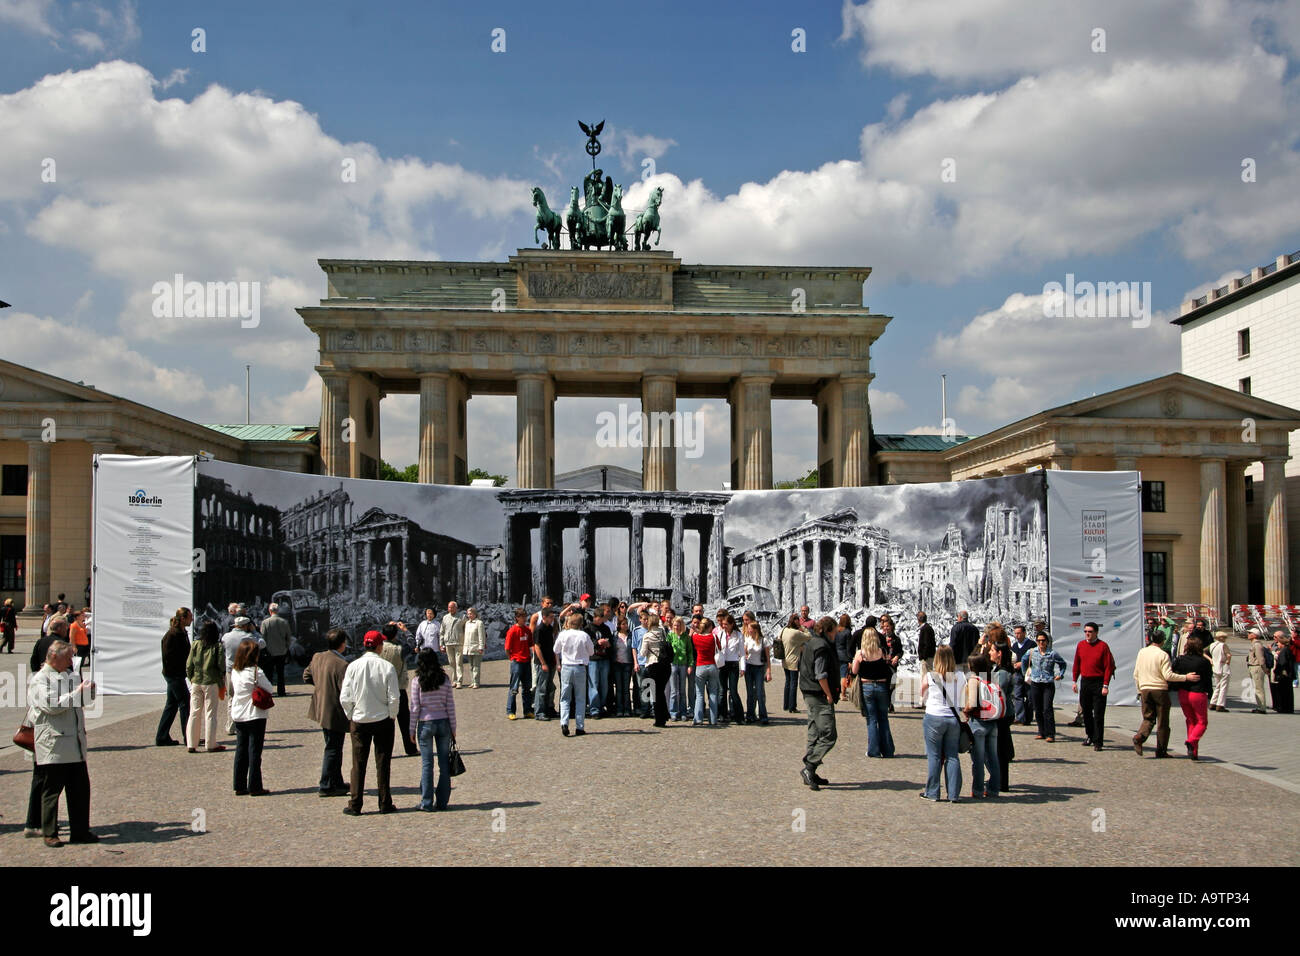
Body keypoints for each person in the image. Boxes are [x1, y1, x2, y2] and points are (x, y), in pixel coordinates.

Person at [27, 640, 96, 846]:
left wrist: (88, 691)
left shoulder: (68, 676)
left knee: (80, 791)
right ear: (54, 657)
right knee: (51, 791)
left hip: (74, 743)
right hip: (54, 744)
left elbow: (80, 702)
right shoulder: (40, 679)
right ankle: (49, 832)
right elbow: (52, 705)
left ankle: (80, 831)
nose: (71, 662)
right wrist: (77, 693)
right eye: (67, 658)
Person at [340, 630, 400, 814]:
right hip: (382, 719)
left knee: (358, 763)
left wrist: (351, 714)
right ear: (379, 646)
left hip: (359, 719)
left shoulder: (353, 666)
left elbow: (345, 696)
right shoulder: (387, 667)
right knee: (383, 762)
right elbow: (394, 697)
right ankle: (384, 802)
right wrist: (392, 715)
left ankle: (356, 803)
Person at [1132, 628, 1199, 758]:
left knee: (1148, 718)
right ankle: (1161, 750)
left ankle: (1140, 736)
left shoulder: (1142, 652)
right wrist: (1185, 677)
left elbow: (1136, 673)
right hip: (1159, 689)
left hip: (1145, 688)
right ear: (1163, 641)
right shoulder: (1162, 654)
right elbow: (1168, 675)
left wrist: (1139, 689)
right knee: (1163, 721)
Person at [304, 628, 351, 796]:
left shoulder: (318, 657)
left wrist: (321, 687)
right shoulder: (342, 665)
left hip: (321, 707)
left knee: (334, 746)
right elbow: (346, 690)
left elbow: (306, 676)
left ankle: (337, 781)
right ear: (342, 644)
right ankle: (325, 784)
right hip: (334, 711)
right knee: (333, 747)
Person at [408, 648, 456, 811]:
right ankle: (442, 801)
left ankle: (426, 802)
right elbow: (450, 705)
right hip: (443, 722)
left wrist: (411, 729)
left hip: (425, 723)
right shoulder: (444, 679)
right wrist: (453, 727)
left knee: (427, 764)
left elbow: (414, 707)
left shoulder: (417, 681)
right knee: (444, 764)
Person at [919, 645, 966, 802]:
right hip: (953, 718)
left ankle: (932, 792)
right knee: (952, 756)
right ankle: (953, 794)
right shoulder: (960, 676)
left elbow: (922, 692)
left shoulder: (931, 676)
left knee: (934, 756)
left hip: (934, 716)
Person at [228, 638, 274, 796]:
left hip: (239, 713)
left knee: (241, 750)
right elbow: (269, 688)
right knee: (255, 751)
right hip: (254, 714)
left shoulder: (235, 671)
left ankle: (239, 784)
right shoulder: (256, 671)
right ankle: (255, 785)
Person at [799, 617, 839, 791]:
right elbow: (820, 674)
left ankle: (811, 771)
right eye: (834, 632)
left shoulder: (811, 642)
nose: (836, 635)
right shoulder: (821, 647)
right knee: (829, 733)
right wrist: (829, 694)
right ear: (828, 631)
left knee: (814, 732)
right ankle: (810, 765)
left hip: (809, 691)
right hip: (818, 693)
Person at [1071, 622, 1116, 751]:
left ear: (1096, 632)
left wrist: (1105, 685)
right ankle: (1090, 735)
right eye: (1085, 631)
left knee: (1099, 713)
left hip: (1099, 682)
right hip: (1085, 681)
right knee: (1086, 712)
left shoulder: (1103, 646)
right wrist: (1074, 681)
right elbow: (1077, 663)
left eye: (1090, 631)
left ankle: (1098, 741)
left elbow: (1108, 667)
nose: (1087, 634)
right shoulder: (1081, 645)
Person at [850, 627, 894, 757]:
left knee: (872, 719)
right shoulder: (881, 652)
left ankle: (873, 750)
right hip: (881, 686)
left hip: (867, 686)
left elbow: (854, 671)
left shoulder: (861, 654)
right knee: (884, 718)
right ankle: (887, 750)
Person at [184, 620, 226, 753]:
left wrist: (191, 678)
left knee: (194, 712)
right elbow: (221, 665)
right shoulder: (217, 646)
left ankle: (191, 743)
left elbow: (189, 664)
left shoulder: (195, 644)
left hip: (196, 681)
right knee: (210, 714)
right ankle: (210, 743)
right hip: (211, 682)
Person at [962, 654, 999, 798]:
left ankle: (977, 789)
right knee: (993, 758)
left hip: (978, 722)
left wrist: (965, 710)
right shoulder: (990, 678)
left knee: (977, 759)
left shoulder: (974, 680)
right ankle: (994, 789)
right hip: (992, 721)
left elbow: (971, 702)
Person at [1171, 635, 1214, 759]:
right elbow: (1208, 680)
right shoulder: (1203, 662)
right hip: (1198, 693)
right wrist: (1210, 694)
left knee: (1190, 720)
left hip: (1183, 692)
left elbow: (1174, 672)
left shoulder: (1180, 659)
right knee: (1202, 722)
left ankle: (1193, 752)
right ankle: (1191, 741)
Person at [381, 623, 420, 757]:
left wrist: (387, 627)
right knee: (405, 721)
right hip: (398, 688)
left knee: (385, 722)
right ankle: (410, 747)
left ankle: (385, 750)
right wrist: (405, 630)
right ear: (396, 635)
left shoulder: (378, 648)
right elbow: (411, 642)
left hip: (382, 689)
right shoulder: (399, 649)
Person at [155, 607, 192, 747]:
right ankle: (188, 736)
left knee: (172, 705)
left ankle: (162, 736)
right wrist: (175, 674)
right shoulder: (172, 635)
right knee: (184, 703)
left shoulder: (181, 632)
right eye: (189, 617)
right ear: (182, 618)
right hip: (174, 675)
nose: (192, 619)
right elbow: (167, 657)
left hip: (177, 674)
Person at [554, 612, 594, 737]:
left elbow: (556, 650)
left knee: (565, 697)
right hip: (580, 667)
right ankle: (579, 726)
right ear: (581, 623)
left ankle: (564, 722)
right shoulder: (584, 635)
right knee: (580, 698)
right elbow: (591, 651)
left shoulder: (563, 634)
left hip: (566, 666)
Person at [221, 616, 263, 734]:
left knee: (231, 698)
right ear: (246, 626)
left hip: (230, 671)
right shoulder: (248, 637)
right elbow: (262, 643)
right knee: (246, 697)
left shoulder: (226, 637)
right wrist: (254, 631)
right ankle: (245, 723)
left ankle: (231, 725)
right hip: (244, 671)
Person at [1023, 631, 1067, 741]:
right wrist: (1026, 672)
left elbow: (1063, 664)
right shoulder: (1032, 652)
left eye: (1043, 640)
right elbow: (1024, 660)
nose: (1041, 642)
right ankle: (1041, 731)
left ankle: (1050, 734)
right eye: (1039, 640)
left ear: (1047, 641)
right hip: (1035, 683)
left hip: (1048, 684)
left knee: (1047, 708)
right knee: (1037, 709)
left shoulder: (1052, 653)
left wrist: (1060, 675)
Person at [990, 642, 1015, 790]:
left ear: (999, 653)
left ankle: (1002, 782)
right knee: (1000, 747)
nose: (990, 653)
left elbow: (996, 691)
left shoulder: (1003, 673)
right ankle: (1000, 780)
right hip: (1001, 712)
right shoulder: (998, 669)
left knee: (1000, 749)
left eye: (992, 650)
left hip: (1002, 713)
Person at [691, 616, 722, 726]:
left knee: (699, 694)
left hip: (700, 666)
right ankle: (713, 719)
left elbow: (693, 635)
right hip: (712, 666)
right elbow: (720, 648)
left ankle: (698, 718)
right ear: (710, 627)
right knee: (713, 693)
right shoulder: (713, 637)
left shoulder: (696, 637)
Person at [642, 612, 672, 727]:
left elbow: (643, 652)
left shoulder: (647, 635)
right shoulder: (663, 632)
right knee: (661, 691)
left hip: (653, 664)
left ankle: (660, 719)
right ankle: (664, 715)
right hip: (665, 665)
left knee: (655, 693)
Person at [504, 607, 535, 719]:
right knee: (514, 688)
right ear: (517, 618)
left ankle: (527, 710)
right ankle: (510, 711)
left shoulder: (527, 630)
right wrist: (512, 658)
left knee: (527, 688)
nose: (524, 618)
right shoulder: (512, 631)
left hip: (526, 661)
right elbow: (507, 648)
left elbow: (531, 644)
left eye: (525, 616)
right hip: (516, 661)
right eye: (522, 616)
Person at [715, 611, 745, 723]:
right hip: (722, 664)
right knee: (722, 691)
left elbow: (742, 653)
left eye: (726, 624)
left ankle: (739, 716)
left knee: (733, 691)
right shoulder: (720, 634)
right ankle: (722, 714)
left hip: (733, 664)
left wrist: (743, 668)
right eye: (723, 624)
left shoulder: (738, 635)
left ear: (732, 624)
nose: (724, 626)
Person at [741, 618, 771, 725]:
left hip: (759, 668)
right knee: (750, 693)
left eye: (750, 628)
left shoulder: (764, 640)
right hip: (749, 667)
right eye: (748, 628)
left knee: (759, 692)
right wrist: (742, 667)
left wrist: (768, 671)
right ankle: (750, 715)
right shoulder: (747, 639)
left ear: (755, 630)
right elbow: (743, 654)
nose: (748, 630)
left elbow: (767, 658)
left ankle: (763, 716)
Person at [532, 605, 559, 720]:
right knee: (541, 688)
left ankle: (548, 708)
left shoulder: (549, 628)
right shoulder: (539, 629)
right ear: (544, 617)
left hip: (550, 661)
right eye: (550, 617)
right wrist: (543, 663)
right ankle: (539, 712)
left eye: (553, 617)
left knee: (550, 687)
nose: (552, 619)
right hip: (542, 662)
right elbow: (537, 647)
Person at [779, 614, 811, 713]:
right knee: (793, 683)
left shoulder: (784, 630)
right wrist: (802, 628)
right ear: (796, 621)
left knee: (787, 682)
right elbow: (809, 636)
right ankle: (792, 707)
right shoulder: (796, 633)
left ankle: (786, 705)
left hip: (785, 660)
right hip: (793, 660)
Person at [259, 603, 292, 697]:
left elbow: (263, 638)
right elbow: (288, 637)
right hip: (282, 651)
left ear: (270, 611)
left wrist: (264, 650)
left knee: (269, 673)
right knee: (280, 673)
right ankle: (281, 691)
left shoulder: (265, 622)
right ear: (278, 611)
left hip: (269, 652)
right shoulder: (284, 622)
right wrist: (286, 647)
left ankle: (269, 691)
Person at [666, 615, 693, 721]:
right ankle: (673, 711)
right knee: (673, 690)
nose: (676, 627)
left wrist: (690, 665)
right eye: (674, 625)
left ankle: (683, 712)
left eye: (678, 625)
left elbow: (690, 652)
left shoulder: (686, 637)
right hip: (673, 663)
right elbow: (667, 649)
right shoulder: (670, 635)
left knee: (682, 690)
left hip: (683, 663)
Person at [1009, 624, 1035, 725]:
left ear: (1024, 633)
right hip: (1017, 674)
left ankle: (1028, 718)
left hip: (1028, 673)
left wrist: (1022, 663)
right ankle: (1019, 717)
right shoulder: (1014, 646)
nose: (1017, 635)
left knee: (1029, 696)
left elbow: (1035, 658)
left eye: (1019, 633)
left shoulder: (1031, 644)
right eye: (1015, 633)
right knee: (1017, 695)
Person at [879, 615, 903, 711]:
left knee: (892, 684)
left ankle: (891, 704)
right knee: (884, 684)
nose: (886, 628)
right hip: (882, 664)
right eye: (884, 626)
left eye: (887, 626)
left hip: (892, 664)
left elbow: (900, 651)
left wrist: (897, 657)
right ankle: (884, 704)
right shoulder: (880, 638)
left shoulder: (896, 639)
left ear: (892, 626)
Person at [611, 615, 633, 717]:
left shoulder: (631, 635)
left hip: (627, 663)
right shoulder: (615, 636)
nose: (625, 626)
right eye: (623, 624)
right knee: (619, 688)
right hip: (617, 664)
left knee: (626, 689)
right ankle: (619, 709)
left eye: (626, 624)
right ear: (619, 625)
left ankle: (627, 709)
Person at [1246, 630, 1271, 713]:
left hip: (1257, 667)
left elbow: (1261, 658)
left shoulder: (1257, 645)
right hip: (1253, 667)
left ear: (1255, 635)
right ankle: (1260, 705)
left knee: (1259, 688)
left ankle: (1262, 707)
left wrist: (1265, 669)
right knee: (1256, 688)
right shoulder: (1254, 644)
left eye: (1250, 633)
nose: (1248, 634)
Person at [441, 602, 466, 688]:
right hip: (448, 643)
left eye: (452, 607)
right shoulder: (445, 618)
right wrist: (441, 644)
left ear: (456, 608)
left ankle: (459, 681)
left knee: (458, 662)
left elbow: (467, 628)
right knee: (451, 662)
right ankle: (454, 680)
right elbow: (442, 631)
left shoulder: (462, 617)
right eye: (449, 607)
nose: (451, 609)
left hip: (459, 642)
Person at [1269, 632, 1294, 714]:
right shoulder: (1288, 650)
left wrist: (1277, 671)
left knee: (1283, 692)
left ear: (1282, 644)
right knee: (1288, 692)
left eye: (1279, 643)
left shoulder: (1283, 651)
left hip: (1283, 675)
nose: (1278, 645)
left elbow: (1282, 663)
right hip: (1288, 674)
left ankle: (1284, 707)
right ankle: (1288, 707)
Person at [915, 611, 935, 709]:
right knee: (929, 678)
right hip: (929, 657)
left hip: (926, 658)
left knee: (925, 679)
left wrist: (923, 656)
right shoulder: (928, 628)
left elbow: (926, 644)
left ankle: (922, 701)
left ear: (919, 619)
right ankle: (927, 700)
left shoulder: (925, 629)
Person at [462, 606, 485, 689]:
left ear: (475, 614)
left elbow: (481, 636)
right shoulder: (467, 623)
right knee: (471, 666)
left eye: (471, 614)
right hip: (468, 648)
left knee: (476, 666)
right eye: (468, 614)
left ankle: (476, 682)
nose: (469, 615)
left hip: (476, 647)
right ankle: (472, 681)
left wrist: (481, 647)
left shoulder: (479, 623)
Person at [833, 614, 855, 702]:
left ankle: (836, 692)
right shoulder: (847, 632)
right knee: (843, 676)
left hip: (835, 655)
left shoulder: (836, 630)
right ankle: (843, 694)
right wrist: (850, 659)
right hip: (844, 655)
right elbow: (848, 647)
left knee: (836, 675)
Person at [1209, 631, 1232, 712]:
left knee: (1217, 685)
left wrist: (1210, 659)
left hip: (1215, 666)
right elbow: (1228, 655)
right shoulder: (1223, 645)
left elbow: (1204, 652)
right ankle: (1220, 704)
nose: (1225, 639)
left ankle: (1213, 702)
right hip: (1222, 666)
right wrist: (1228, 661)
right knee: (1223, 686)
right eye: (1224, 637)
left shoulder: (1212, 645)